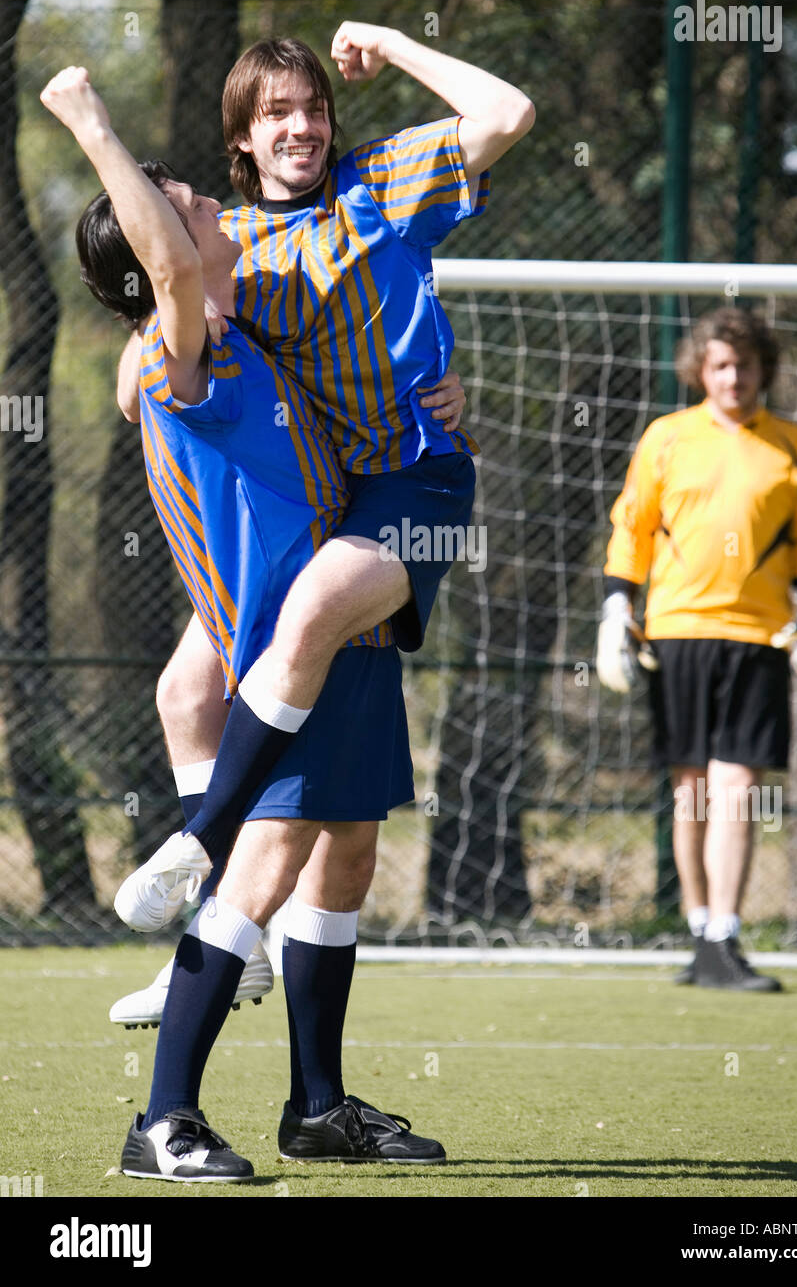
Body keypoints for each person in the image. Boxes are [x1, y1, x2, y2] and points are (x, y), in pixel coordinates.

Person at [41, 66, 444, 1178]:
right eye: (179, 198)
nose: (205, 201)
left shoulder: (238, 335)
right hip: (289, 662)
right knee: (258, 874)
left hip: (339, 638)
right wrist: (91, 126)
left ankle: (318, 1104)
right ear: (154, 247)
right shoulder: (178, 352)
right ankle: (160, 1120)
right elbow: (164, 263)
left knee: (346, 852)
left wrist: (431, 402)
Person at [111, 22, 534, 932]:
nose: (302, 127)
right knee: (186, 692)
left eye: (315, 109)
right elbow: (139, 365)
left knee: (344, 821)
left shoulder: (376, 184)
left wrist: (390, 42)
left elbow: (507, 112)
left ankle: (214, 896)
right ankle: (214, 904)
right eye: (278, 114)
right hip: (298, 516)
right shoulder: (225, 253)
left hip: (394, 500)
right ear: (243, 138)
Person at [596, 308, 797, 991]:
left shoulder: (793, 446)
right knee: (691, 792)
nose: (734, 377)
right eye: (722, 365)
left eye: (746, 365)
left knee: (738, 788)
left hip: (759, 636)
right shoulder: (667, 438)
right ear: (702, 370)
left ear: (765, 370)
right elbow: (631, 527)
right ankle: (701, 934)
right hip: (676, 631)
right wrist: (617, 607)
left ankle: (726, 934)